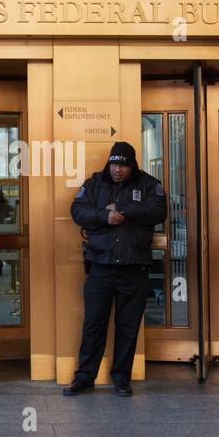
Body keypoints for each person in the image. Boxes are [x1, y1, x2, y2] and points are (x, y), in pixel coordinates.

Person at [65, 140, 167, 397]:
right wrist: (103, 216)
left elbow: (158, 210)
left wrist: (122, 209)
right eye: (114, 163)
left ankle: (122, 378)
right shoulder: (94, 183)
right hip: (100, 267)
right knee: (93, 324)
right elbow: (77, 210)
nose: (117, 169)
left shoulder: (149, 184)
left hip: (134, 269)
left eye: (122, 165)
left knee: (127, 326)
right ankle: (84, 378)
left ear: (131, 166)